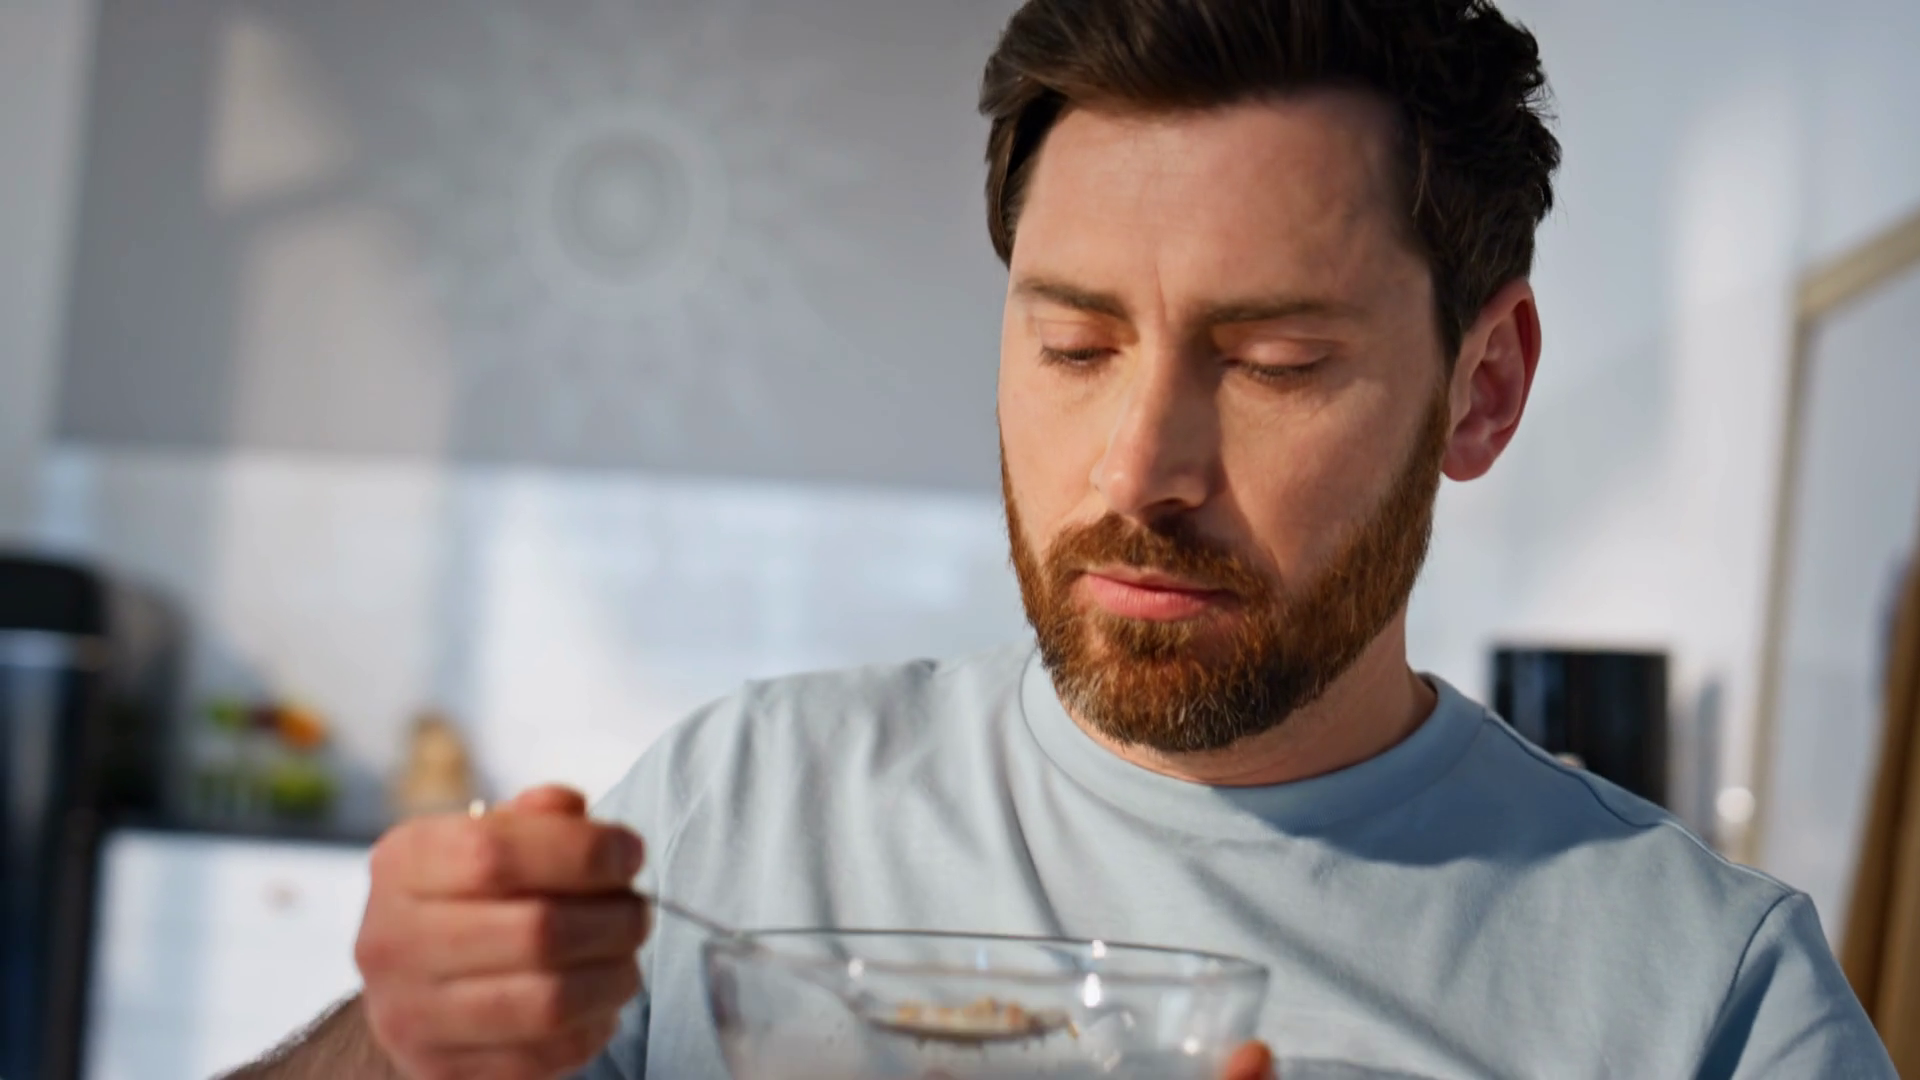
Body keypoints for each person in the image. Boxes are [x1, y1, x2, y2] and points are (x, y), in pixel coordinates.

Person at [237, 0, 1896, 1077]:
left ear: (1484, 388)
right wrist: (394, 1044)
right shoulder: (739, 803)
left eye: (1274, 362)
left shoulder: (1708, 1004)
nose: (1141, 463)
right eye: (1077, 343)